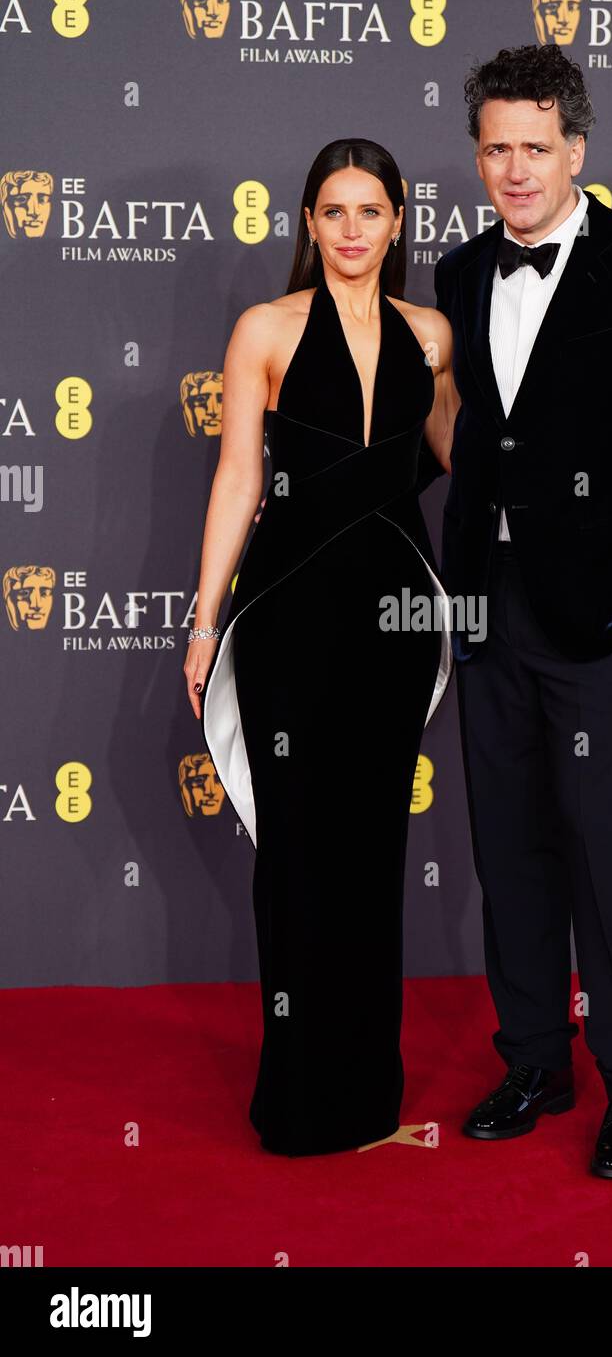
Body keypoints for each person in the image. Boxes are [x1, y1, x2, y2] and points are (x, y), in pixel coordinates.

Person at [432, 44, 612, 1177]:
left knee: (602, 851)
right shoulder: (460, 274)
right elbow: (460, 431)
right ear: (477, 154)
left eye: (534, 149)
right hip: (490, 607)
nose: (514, 170)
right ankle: (533, 1063)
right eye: (496, 148)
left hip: (601, 613)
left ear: (576, 151)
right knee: (507, 848)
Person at [185, 138, 458, 1156]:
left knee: (369, 848)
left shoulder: (431, 333)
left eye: (371, 212)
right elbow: (237, 482)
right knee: (297, 852)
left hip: (393, 617)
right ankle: (300, 1100)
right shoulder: (264, 328)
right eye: (333, 211)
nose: (351, 230)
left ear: (396, 223)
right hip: (293, 613)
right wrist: (208, 618)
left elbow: (454, 457)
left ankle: (366, 1098)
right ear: (306, 223)